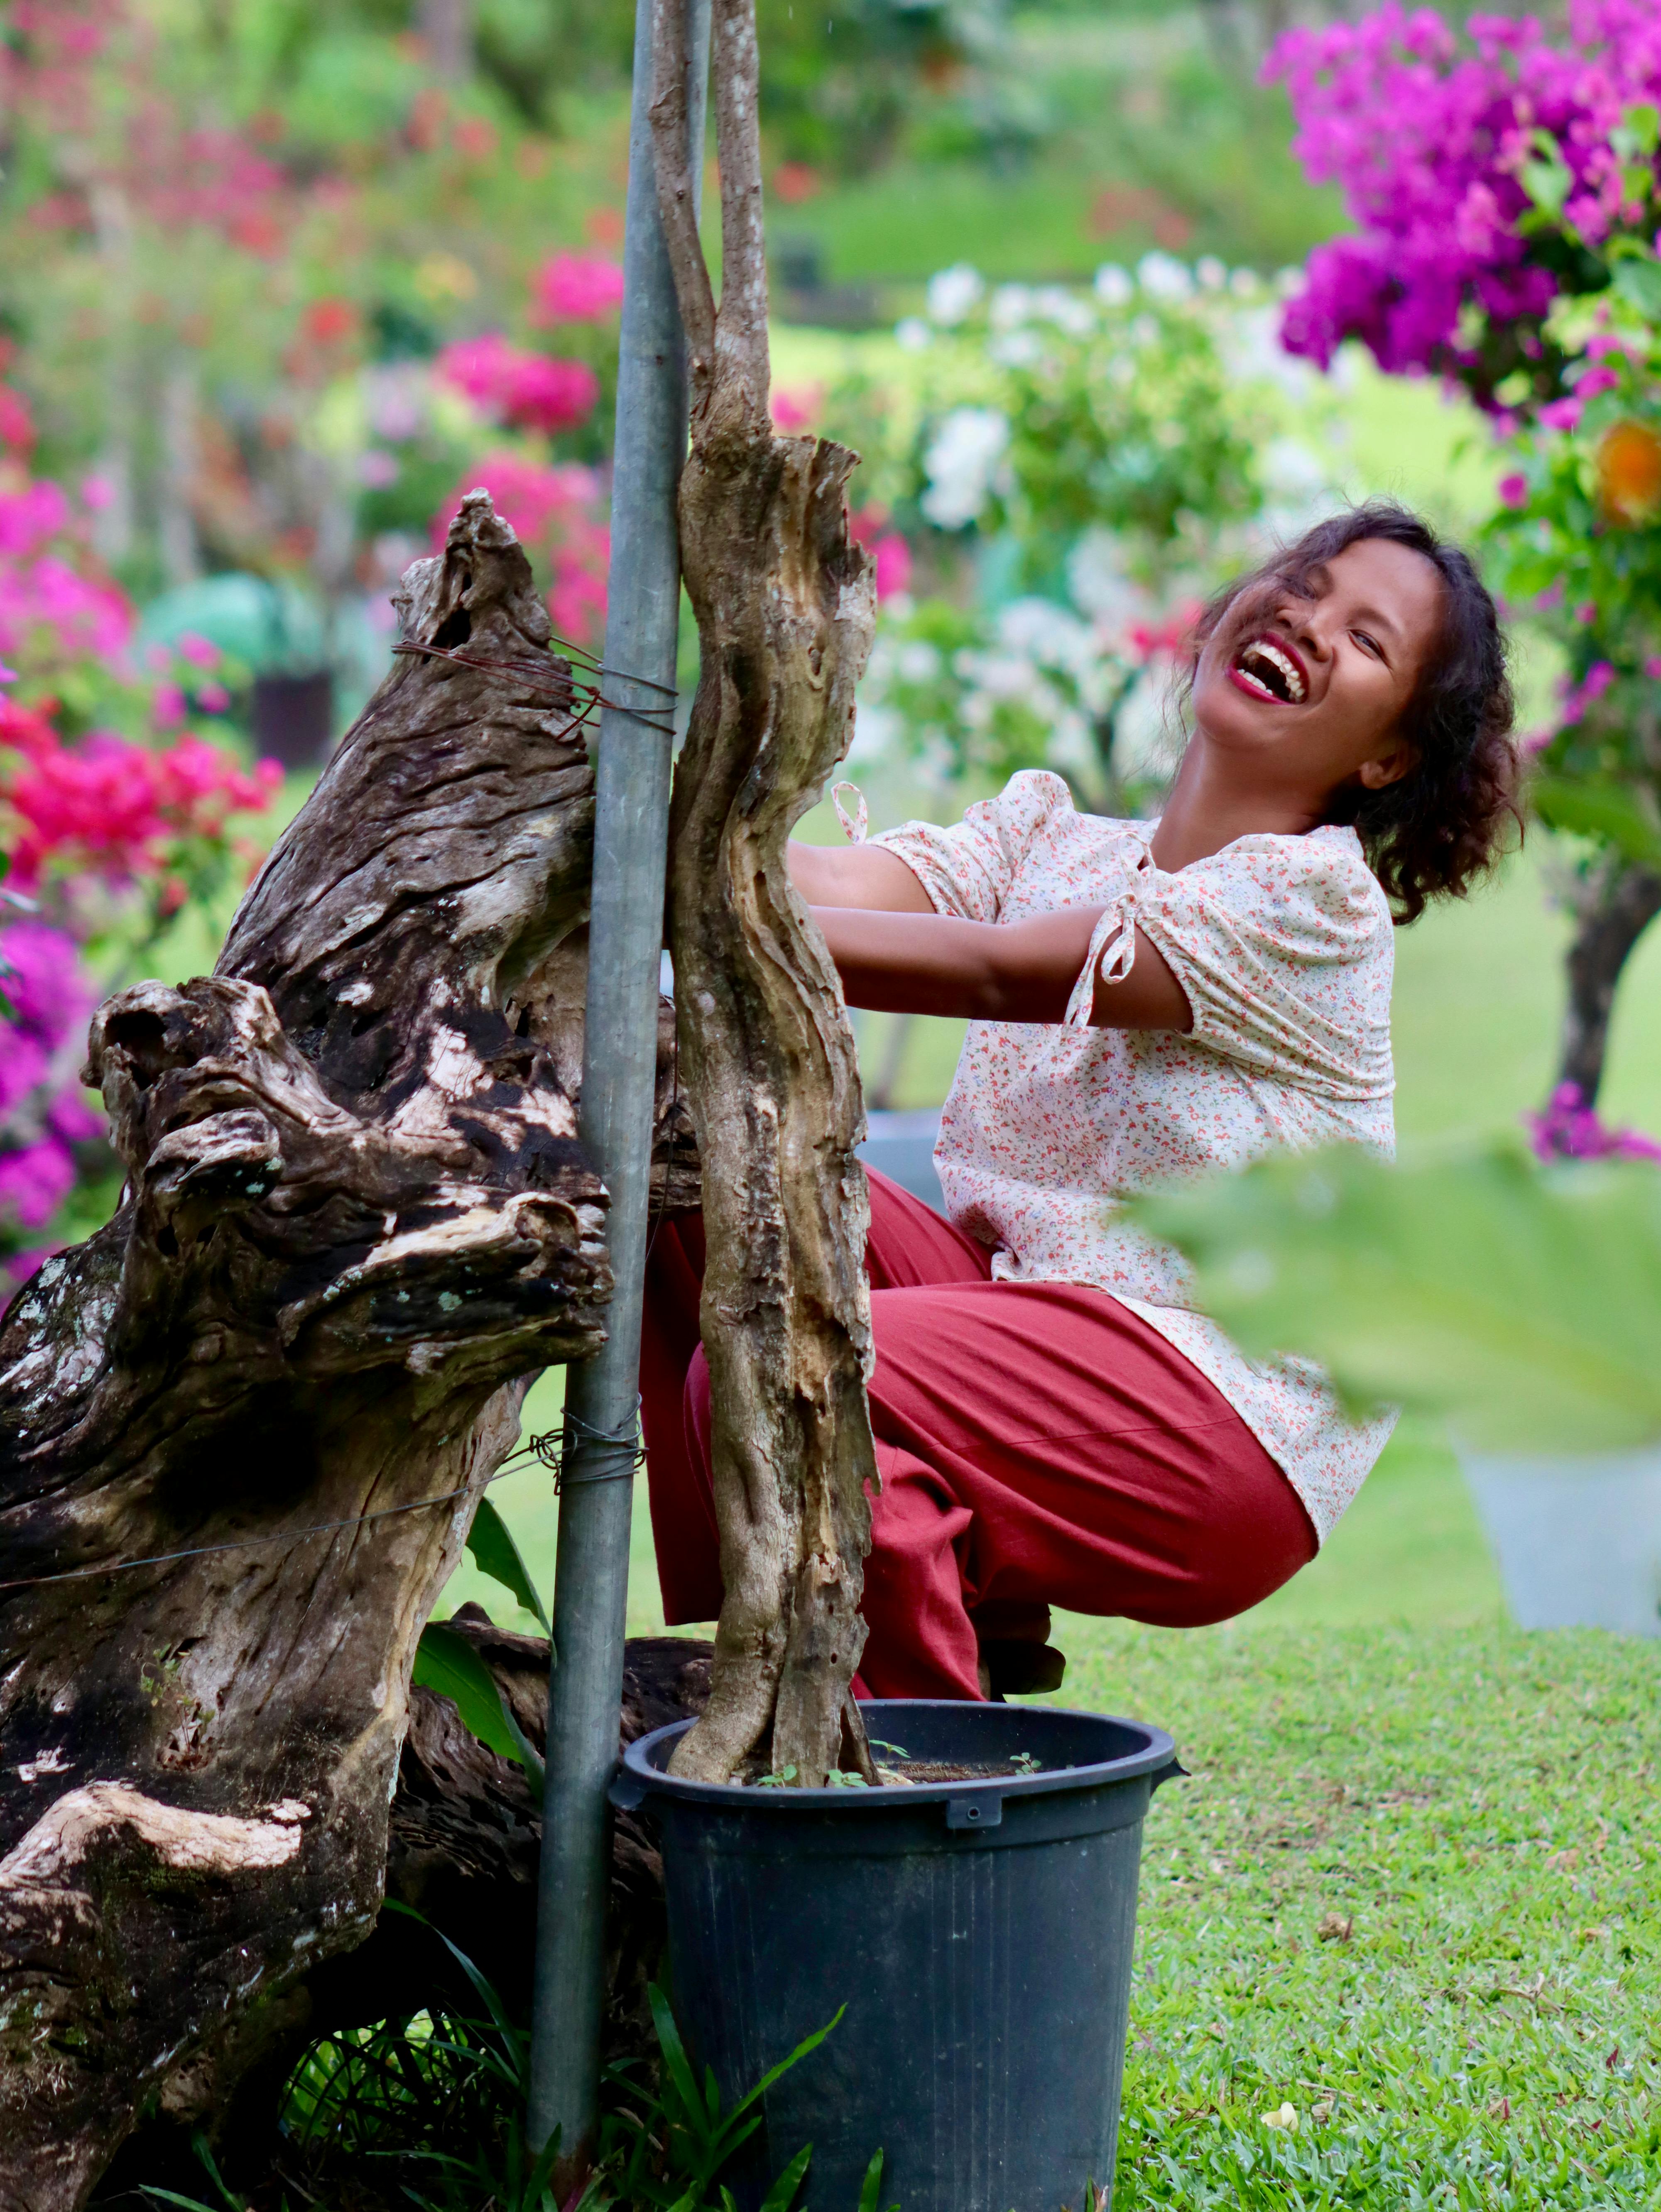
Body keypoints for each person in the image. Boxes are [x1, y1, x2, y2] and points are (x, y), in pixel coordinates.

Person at [640, 502, 1520, 1700]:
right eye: (1307, 584)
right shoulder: (1051, 836)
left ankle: (923, 1792)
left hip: (1223, 1401)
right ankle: (872, 1617)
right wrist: (630, 829)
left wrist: (688, 916)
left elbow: (1003, 973)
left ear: (1389, 760)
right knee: (688, 1158)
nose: (1308, 624)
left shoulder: (1312, 907)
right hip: (1030, 1311)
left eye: (1367, 641)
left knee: (797, 1360)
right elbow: (834, 883)